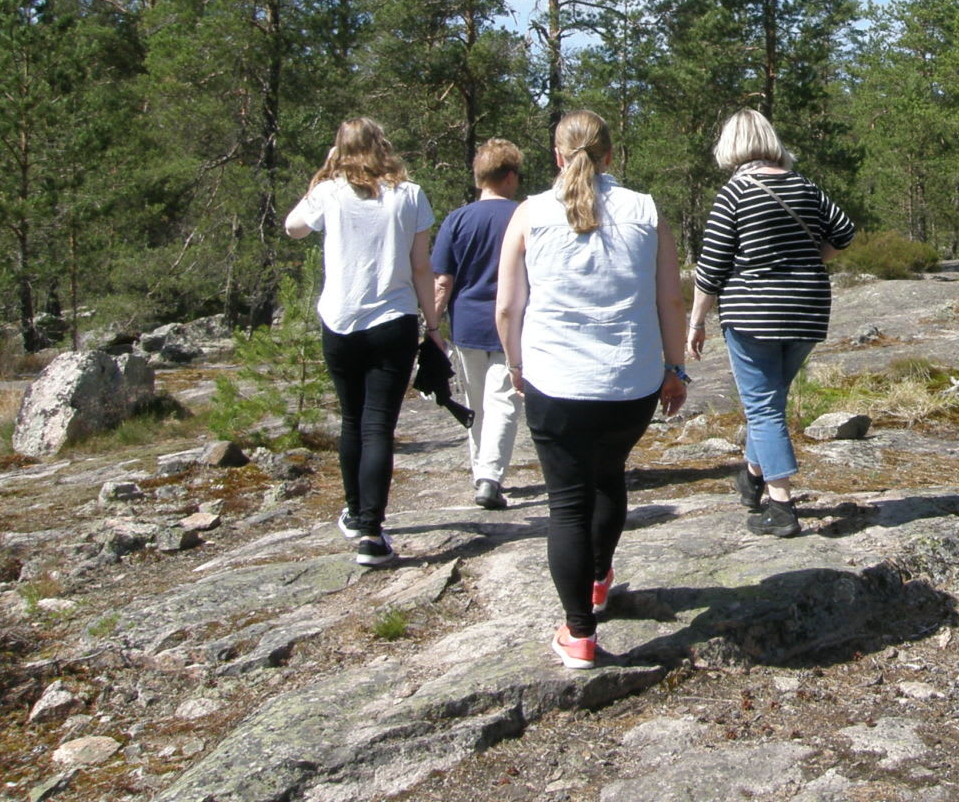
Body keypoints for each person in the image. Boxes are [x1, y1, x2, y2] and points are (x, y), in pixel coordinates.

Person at [495, 110, 689, 670]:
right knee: (608, 477)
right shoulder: (646, 210)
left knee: (567, 505)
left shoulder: (530, 213)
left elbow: (507, 307)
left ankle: (579, 633)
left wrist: (516, 365)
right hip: (630, 383)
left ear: (557, 156)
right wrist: (675, 368)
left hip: (554, 381)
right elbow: (670, 300)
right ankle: (599, 580)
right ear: (610, 156)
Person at [690, 109, 856, 540]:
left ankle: (781, 507)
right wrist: (806, 263)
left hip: (754, 313)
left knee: (763, 407)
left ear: (731, 145)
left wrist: (696, 322)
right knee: (770, 399)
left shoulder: (735, 192)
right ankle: (752, 476)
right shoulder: (804, 186)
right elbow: (843, 233)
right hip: (807, 310)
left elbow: (711, 268)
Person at [284, 118, 440, 567]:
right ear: (382, 146)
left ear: (339, 150)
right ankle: (371, 532)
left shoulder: (329, 193)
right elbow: (421, 267)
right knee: (378, 426)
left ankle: (356, 515)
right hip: (393, 321)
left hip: (339, 321)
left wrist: (322, 174)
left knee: (352, 420)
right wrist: (433, 327)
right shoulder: (409, 195)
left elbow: (293, 227)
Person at [431, 138, 525, 511]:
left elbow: (443, 281)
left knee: (476, 402)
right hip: (513, 323)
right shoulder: (524, 216)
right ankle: (490, 477)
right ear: (509, 176)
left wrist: (431, 327)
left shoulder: (457, 219)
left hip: (466, 325)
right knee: (504, 400)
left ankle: (481, 472)